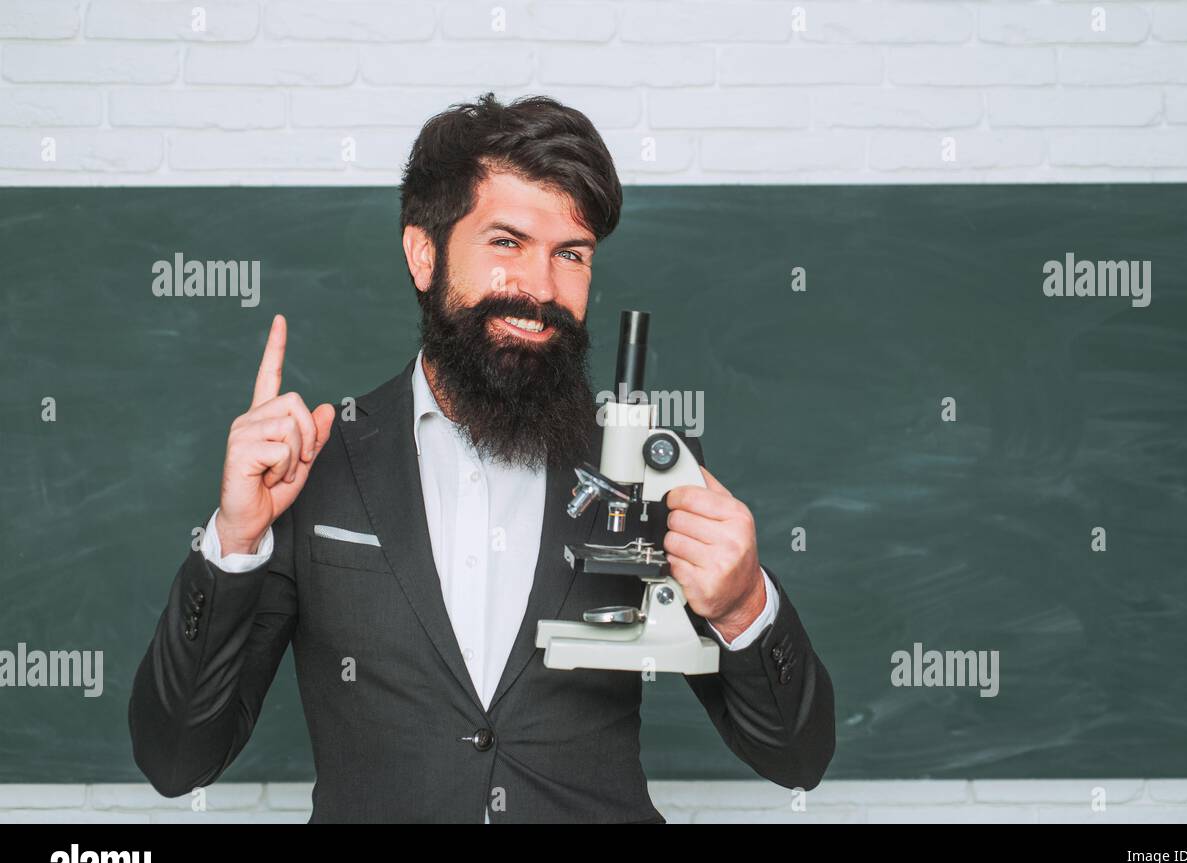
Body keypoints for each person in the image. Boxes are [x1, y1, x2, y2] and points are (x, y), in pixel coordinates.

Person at [129, 92, 835, 823]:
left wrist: (745, 604)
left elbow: (797, 758)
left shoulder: (640, 472)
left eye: (571, 254)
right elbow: (178, 759)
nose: (540, 288)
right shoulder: (317, 467)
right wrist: (235, 544)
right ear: (423, 254)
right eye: (506, 243)